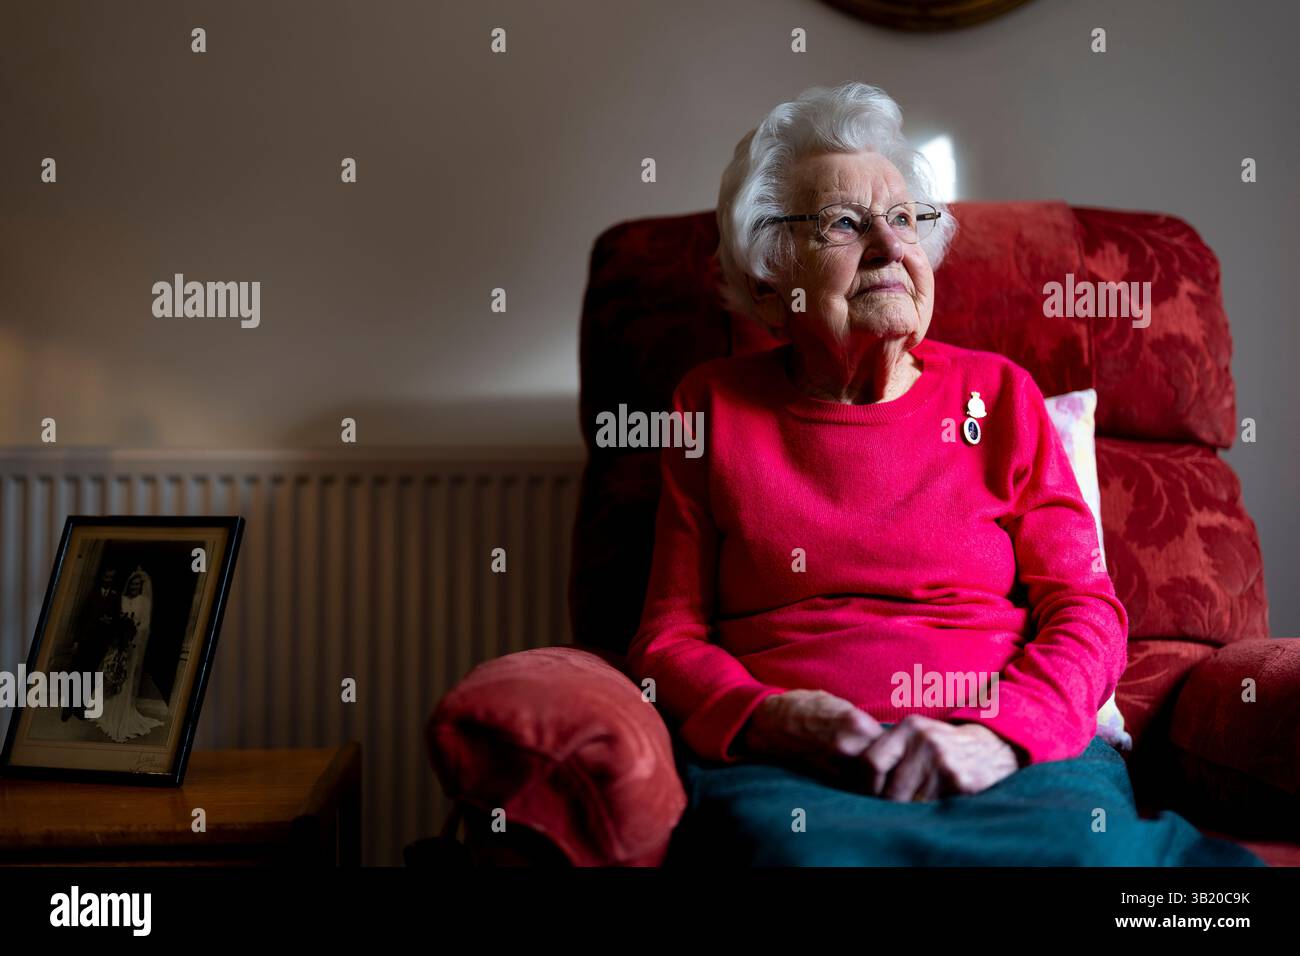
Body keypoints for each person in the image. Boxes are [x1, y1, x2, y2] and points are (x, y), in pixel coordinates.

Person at [627, 81, 1263, 866]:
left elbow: (1087, 611)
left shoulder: (999, 397)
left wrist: (1000, 735)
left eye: (905, 220)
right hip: (796, 767)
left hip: (1006, 749)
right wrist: (773, 718)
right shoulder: (710, 408)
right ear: (768, 277)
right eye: (842, 223)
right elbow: (667, 639)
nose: (893, 248)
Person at [93, 566, 165, 743]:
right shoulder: (122, 599)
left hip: (131, 645)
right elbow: (117, 618)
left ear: (141, 586)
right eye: (132, 584)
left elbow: (145, 626)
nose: (134, 587)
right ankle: (103, 708)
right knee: (108, 673)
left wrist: (132, 638)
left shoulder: (143, 601)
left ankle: (119, 712)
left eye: (137, 585)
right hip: (117, 643)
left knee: (124, 677)